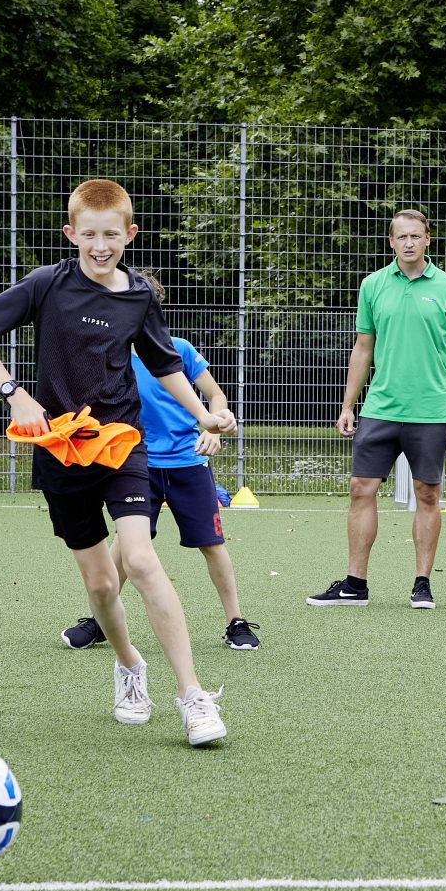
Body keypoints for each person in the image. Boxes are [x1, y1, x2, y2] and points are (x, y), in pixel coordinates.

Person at [0, 179, 238, 745]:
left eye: (111, 235)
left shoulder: (139, 295)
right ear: (71, 234)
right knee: (101, 584)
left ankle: (192, 696)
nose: (99, 245)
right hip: (62, 449)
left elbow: (165, 365)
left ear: (129, 234)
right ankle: (130, 665)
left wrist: (202, 414)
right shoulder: (47, 284)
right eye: (88, 235)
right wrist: (16, 393)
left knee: (139, 559)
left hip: (121, 443)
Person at [60, 274, 260, 654]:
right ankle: (102, 618)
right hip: (136, 465)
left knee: (212, 544)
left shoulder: (179, 349)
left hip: (189, 464)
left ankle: (235, 621)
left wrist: (215, 428)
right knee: (125, 547)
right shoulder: (106, 354)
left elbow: (216, 397)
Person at [309, 208, 446, 610]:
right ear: (392, 241)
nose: (410, 242)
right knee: (360, 488)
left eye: (417, 236)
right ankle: (354, 585)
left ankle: (422, 585)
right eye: (402, 237)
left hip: (431, 411)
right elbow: (363, 348)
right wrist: (349, 405)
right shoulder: (373, 285)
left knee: (427, 494)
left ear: (428, 240)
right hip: (380, 408)